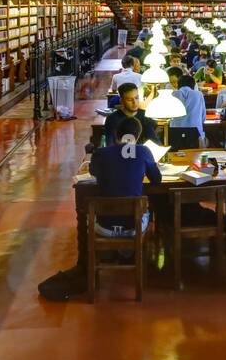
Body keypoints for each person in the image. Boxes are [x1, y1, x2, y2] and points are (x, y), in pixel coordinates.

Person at [38, 116, 161, 301]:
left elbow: (94, 171)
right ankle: (132, 253)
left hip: (103, 228)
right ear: (137, 136)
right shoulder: (143, 152)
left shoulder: (102, 153)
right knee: (149, 210)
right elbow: (157, 180)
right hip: (133, 228)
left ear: (117, 134)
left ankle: (93, 263)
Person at [171, 73, 207, 142]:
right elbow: (203, 118)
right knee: (208, 140)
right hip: (196, 136)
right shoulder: (199, 94)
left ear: (178, 85)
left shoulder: (172, 95)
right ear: (193, 85)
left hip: (175, 135)